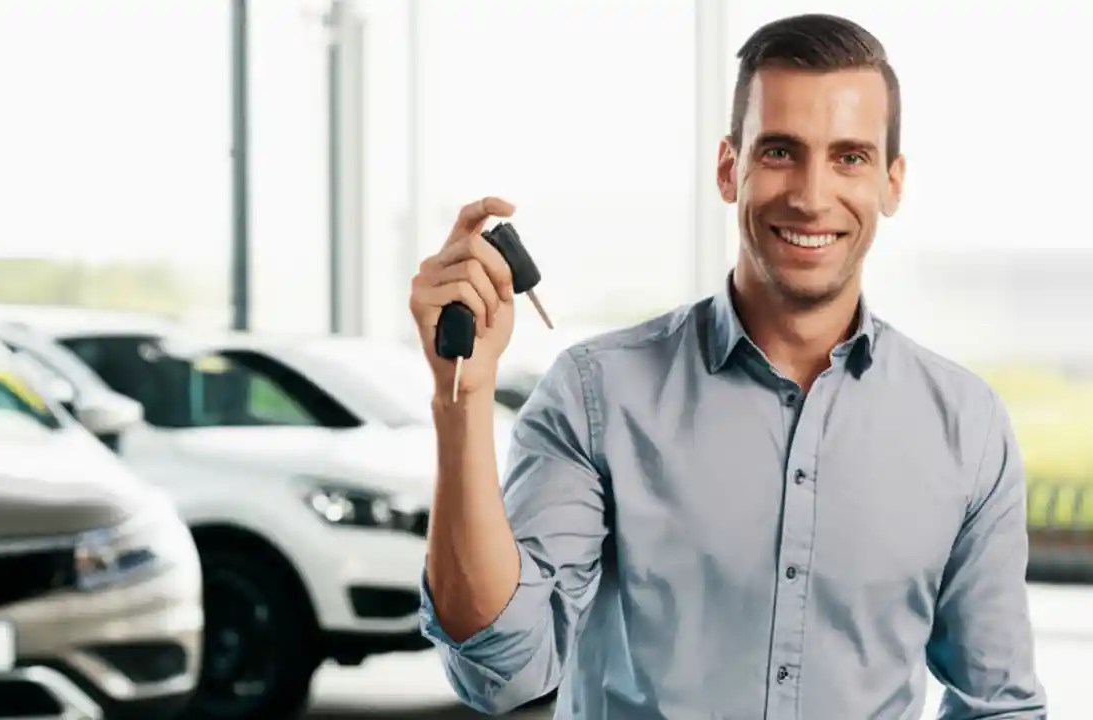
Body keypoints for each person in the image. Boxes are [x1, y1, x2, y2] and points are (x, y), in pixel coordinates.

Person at [406, 12, 1048, 720]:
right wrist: (460, 399)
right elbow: (504, 672)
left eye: (850, 157)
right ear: (727, 168)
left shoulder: (966, 426)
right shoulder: (597, 397)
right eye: (780, 151)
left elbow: (999, 705)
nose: (811, 195)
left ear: (891, 184)